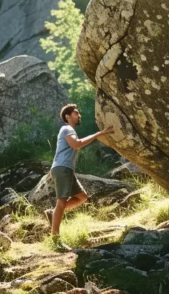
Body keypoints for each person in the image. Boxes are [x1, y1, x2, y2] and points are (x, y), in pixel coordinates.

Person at [45, 103, 113, 249]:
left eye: (78, 113)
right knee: (61, 201)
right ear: (67, 116)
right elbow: (76, 145)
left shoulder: (70, 130)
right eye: (75, 113)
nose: (79, 115)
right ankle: (55, 239)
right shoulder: (67, 128)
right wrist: (98, 134)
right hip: (62, 168)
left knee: (82, 197)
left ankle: (53, 214)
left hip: (66, 169)